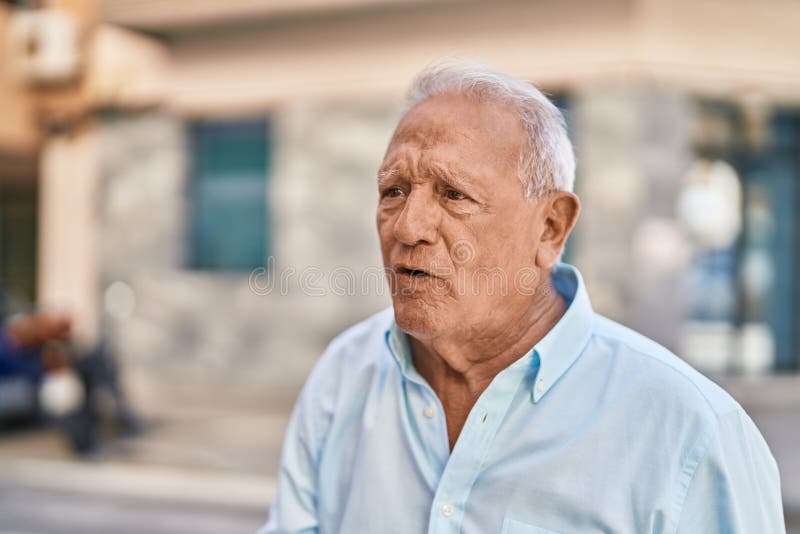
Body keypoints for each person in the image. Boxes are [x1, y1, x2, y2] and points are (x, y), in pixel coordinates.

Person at [260, 63, 784, 533]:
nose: (408, 227)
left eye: (454, 194)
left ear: (551, 227)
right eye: (393, 191)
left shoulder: (690, 432)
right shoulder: (345, 376)